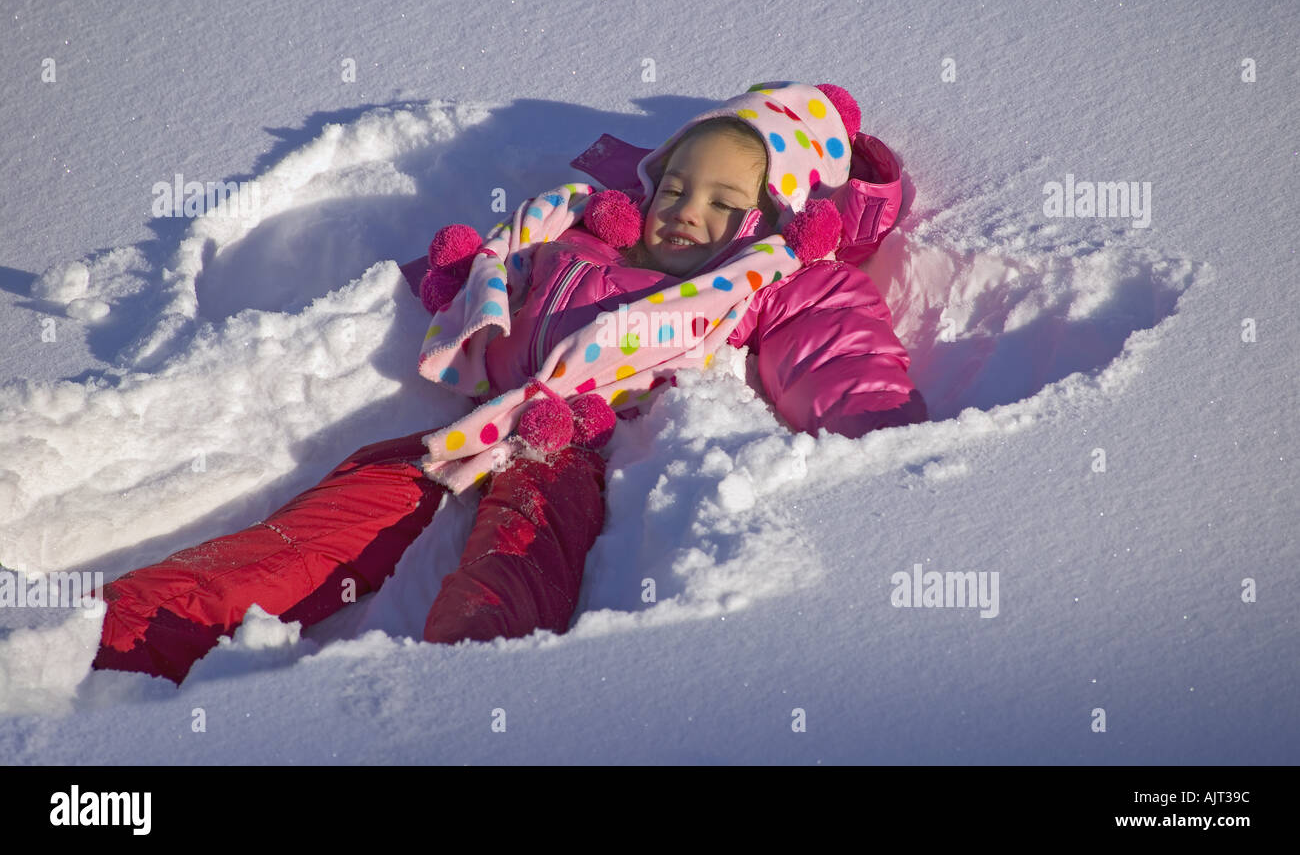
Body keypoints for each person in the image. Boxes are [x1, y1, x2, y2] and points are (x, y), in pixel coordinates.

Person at [92, 81, 928, 684]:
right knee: (326, 522)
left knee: (517, 566)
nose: (684, 207)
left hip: (570, 454)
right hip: (477, 423)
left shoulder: (758, 283)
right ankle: (128, 630)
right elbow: (488, 281)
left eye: (719, 200)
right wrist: (458, 280)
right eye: (674, 184)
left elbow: (839, 345)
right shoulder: (572, 234)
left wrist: (886, 447)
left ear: (772, 219)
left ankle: (466, 698)